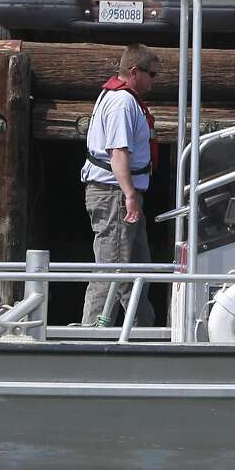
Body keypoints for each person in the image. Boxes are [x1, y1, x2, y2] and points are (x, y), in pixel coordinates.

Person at [80, 44, 162, 326]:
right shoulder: (121, 103)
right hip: (114, 194)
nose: (154, 81)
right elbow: (117, 153)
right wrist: (129, 194)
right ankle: (90, 338)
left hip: (124, 194)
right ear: (135, 72)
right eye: (152, 75)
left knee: (136, 269)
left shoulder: (125, 99)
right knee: (111, 270)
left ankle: (143, 334)